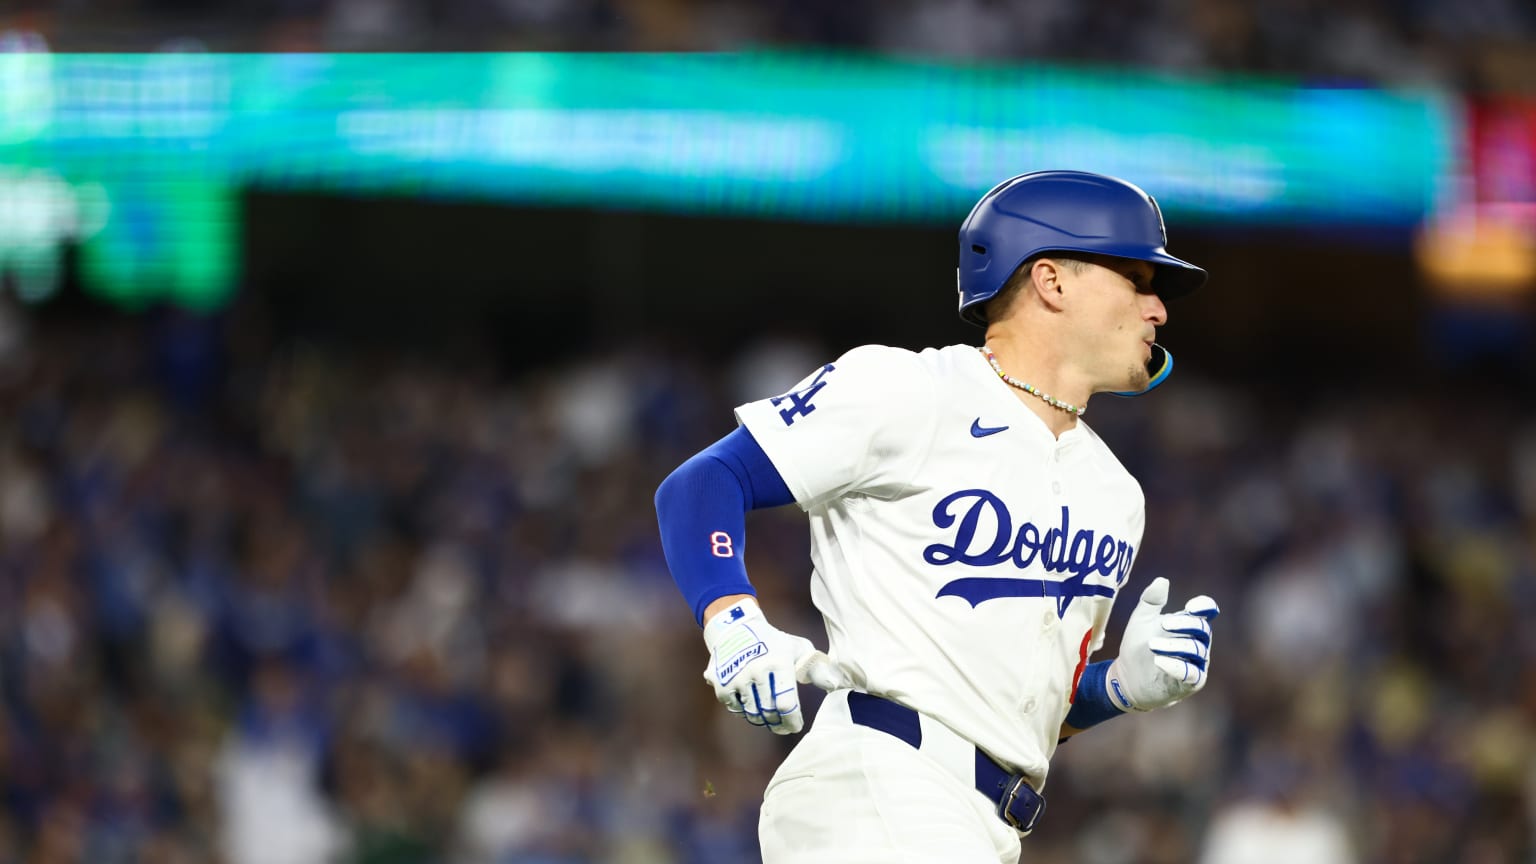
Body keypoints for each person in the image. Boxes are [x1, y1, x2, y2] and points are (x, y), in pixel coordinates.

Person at [654, 170, 1222, 864]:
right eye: (1138, 280)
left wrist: (1117, 689)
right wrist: (732, 621)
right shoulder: (910, 389)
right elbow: (704, 482)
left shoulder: (1116, 493)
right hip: (878, 784)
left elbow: (1018, 710)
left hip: (983, 821)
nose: (1158, 309)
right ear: (1051, 281)